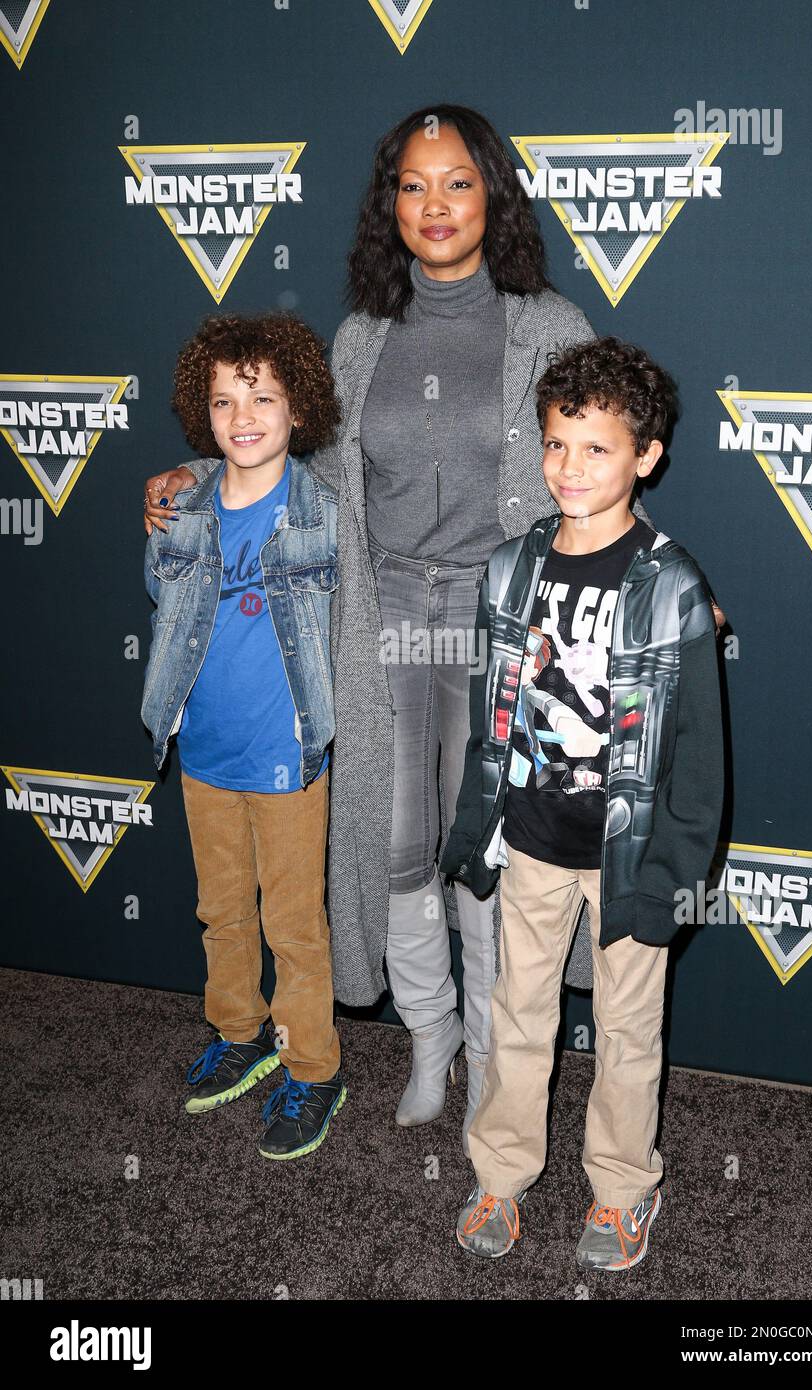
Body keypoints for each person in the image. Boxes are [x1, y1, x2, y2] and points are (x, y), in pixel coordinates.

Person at [142, 105, 646, 1156]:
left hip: (502, 627)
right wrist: (196, 477)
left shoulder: (548, 326)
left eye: (455, 182)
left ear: (490, 195)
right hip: (376, 617)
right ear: (390, 205)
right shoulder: (362, 337)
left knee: (484, 854)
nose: (434, 205)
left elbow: (598, 459)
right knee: (395, 841)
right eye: (412, 186)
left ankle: (491, 1062)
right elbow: (310, 476)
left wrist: (656, 580)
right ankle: (428, 1040)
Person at [440, 337, 724, 1269]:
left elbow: (696, 753)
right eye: (556, 444)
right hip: (529, 841)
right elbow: (495, 716)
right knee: (517, 1016)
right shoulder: (509, 569)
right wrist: (478, 825)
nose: (570, 467)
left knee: (629, 1033)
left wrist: (675, 871)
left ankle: (620, 1192)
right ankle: (500, 1173)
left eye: (596, 448)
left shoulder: (672, 585)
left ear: (647, 457)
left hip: (629, 856)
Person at [141, 311, 347, 1161]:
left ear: (298, 407)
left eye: (263, 396)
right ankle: (240, 1029)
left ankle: (314, 1067)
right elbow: (165, 610)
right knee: (220, 910)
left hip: (288, 755)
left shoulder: (324, 514)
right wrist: (168, 487)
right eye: (225, 401)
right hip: (204, 751)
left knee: (294, 924)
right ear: (203, 411)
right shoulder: (178, 506)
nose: (245, 415)